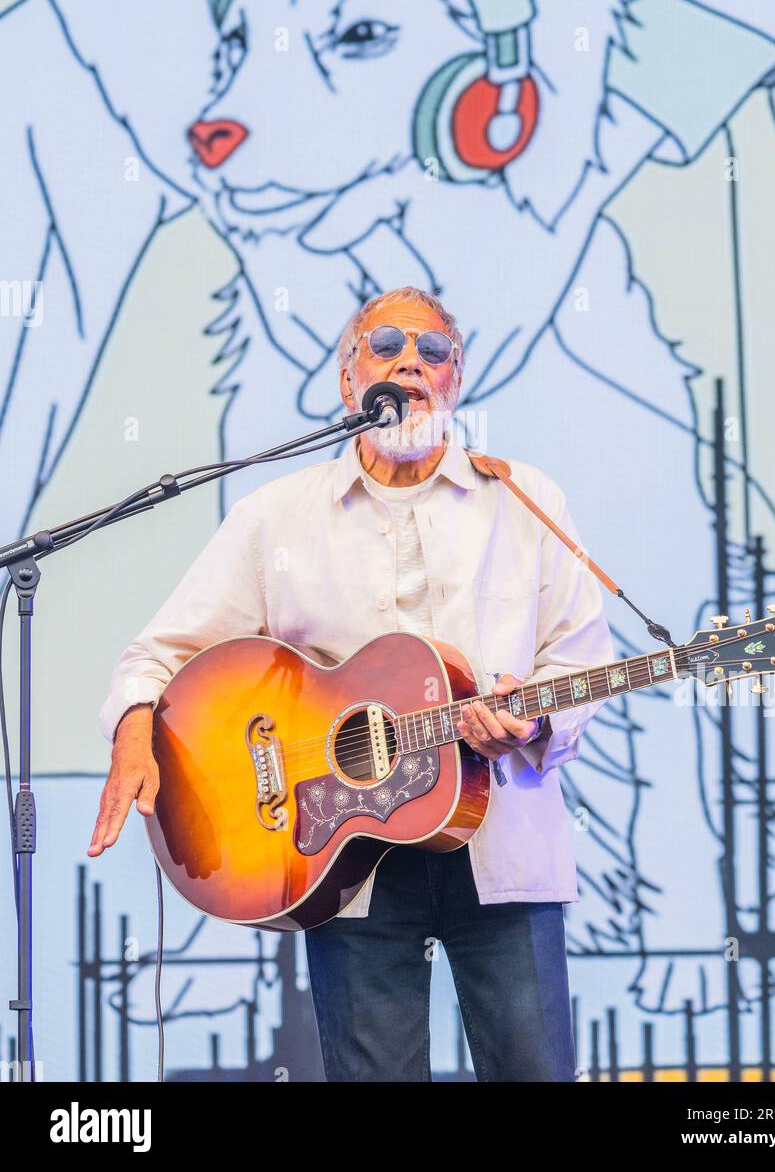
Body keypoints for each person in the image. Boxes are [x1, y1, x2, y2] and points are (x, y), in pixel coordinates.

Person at [89, 285, 614, 1082]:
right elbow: (157, 654)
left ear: (456, 379)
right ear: (348, 381)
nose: (413, 363)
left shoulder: (527, 502)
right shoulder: (277, 516)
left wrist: (534, 723)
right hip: (339, 855)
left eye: (433, 352)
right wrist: (134, 733)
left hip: (503, 841)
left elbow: (579, 667)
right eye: (388, 347)